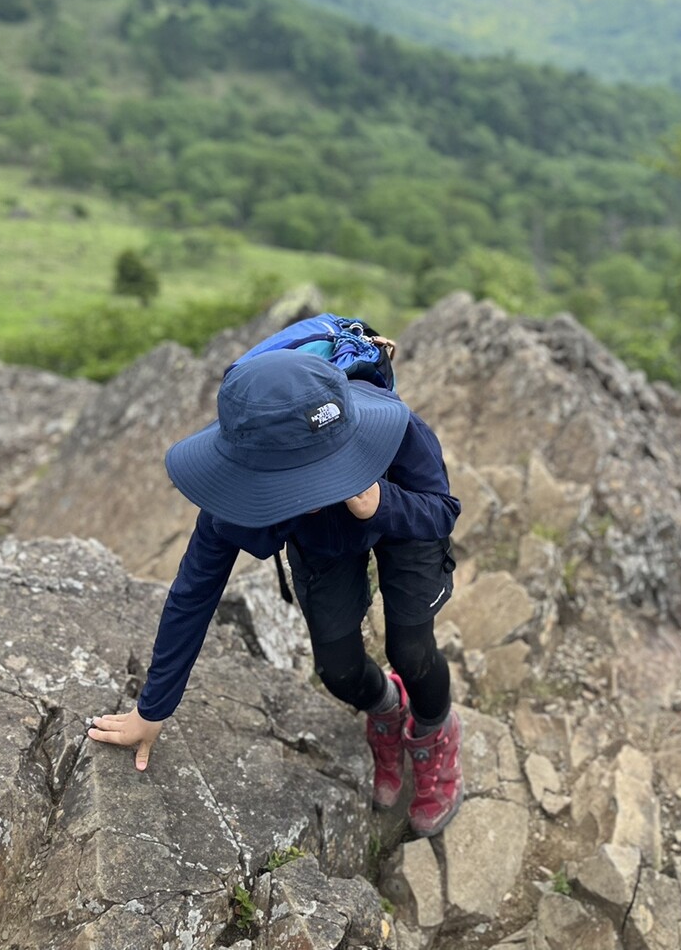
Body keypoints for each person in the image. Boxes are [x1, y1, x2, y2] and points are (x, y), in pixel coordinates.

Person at [87, 346, 464, 837]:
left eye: (316, 478)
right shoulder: (234, 498)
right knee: (338, 670)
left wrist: (380, 503)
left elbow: (441, 511)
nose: (308, 495)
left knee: (411, 650)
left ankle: (435, 733)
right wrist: (152, 710)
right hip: (326, 547)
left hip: (398, 513)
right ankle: (387, 711)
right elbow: (194, 593)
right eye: (289, 486)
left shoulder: (392, 427)